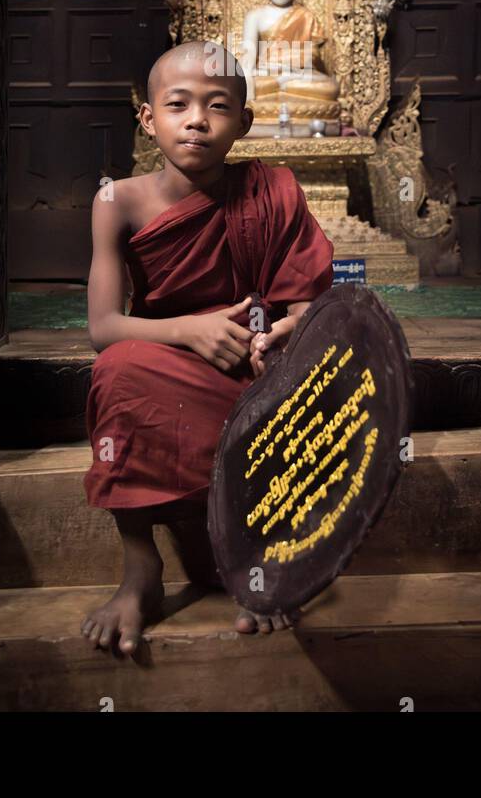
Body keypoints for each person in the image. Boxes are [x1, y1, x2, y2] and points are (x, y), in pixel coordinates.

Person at [81, 40, 334, 655]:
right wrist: (188, 331)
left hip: (252, 367)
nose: (197, 119)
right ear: (149, 118)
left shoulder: (274, 190)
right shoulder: (119, 201)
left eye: (217, 106)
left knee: (312, 381)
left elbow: (306, 303)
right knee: (118, 371)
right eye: (178, 104)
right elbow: (105, 327)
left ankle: (256, 553)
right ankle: (141, 565)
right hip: (164, 364)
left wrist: (284, 332)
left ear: (244, 122)